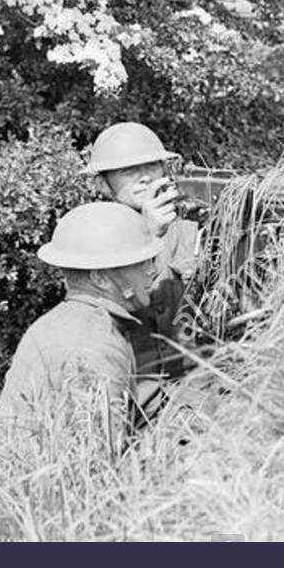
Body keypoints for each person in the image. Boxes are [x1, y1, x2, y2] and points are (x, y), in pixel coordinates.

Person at [0, 201, 165, 457]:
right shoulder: (95, 346)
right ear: (100, 278)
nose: (153, 270)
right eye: (141, 263)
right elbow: (94, 463)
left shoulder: (62, 322)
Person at [85, 122, 202, 385]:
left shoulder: (189, 226)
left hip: (197, 393)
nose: (145, 177)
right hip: (135, 396)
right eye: (128, 170)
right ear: (103, 184)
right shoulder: (88, 236)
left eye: (151, 166)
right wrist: (147, 236)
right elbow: (100, 313)